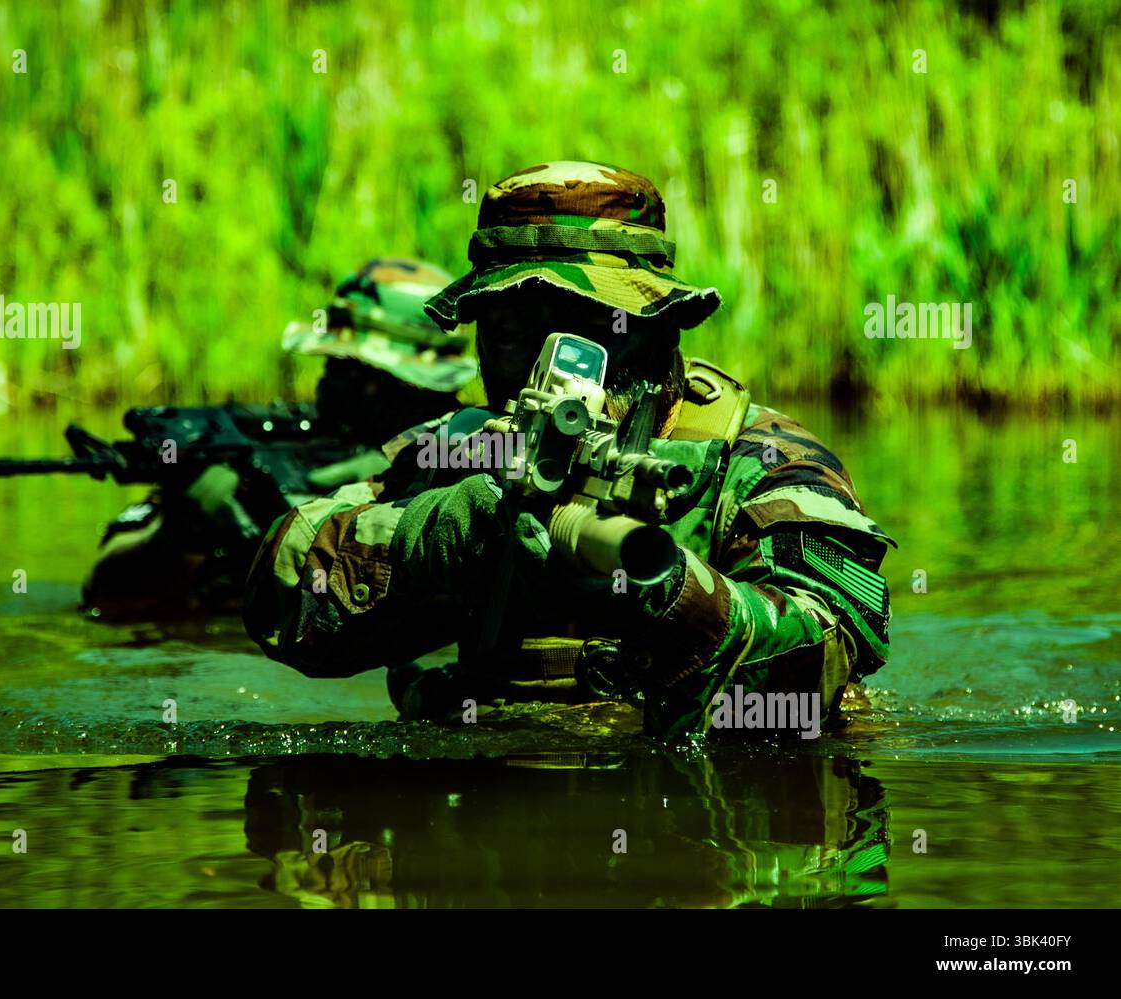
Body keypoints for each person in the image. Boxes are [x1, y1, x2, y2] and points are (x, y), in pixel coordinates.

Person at [242, 162, 893, 741]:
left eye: (586, 327)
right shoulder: (464, 449)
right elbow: (279, 600)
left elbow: (831, 650)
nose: (547, 368)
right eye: (509, 333)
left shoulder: (763, 463)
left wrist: (675, 597)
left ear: (659, 326)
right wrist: (443, 536)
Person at [81, 257, 477, 620]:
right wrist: (181, 536)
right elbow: (103, 595)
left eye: (355, 369)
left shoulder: (470, 459)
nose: (330, 383)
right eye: (335, 365)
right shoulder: (278, 447)